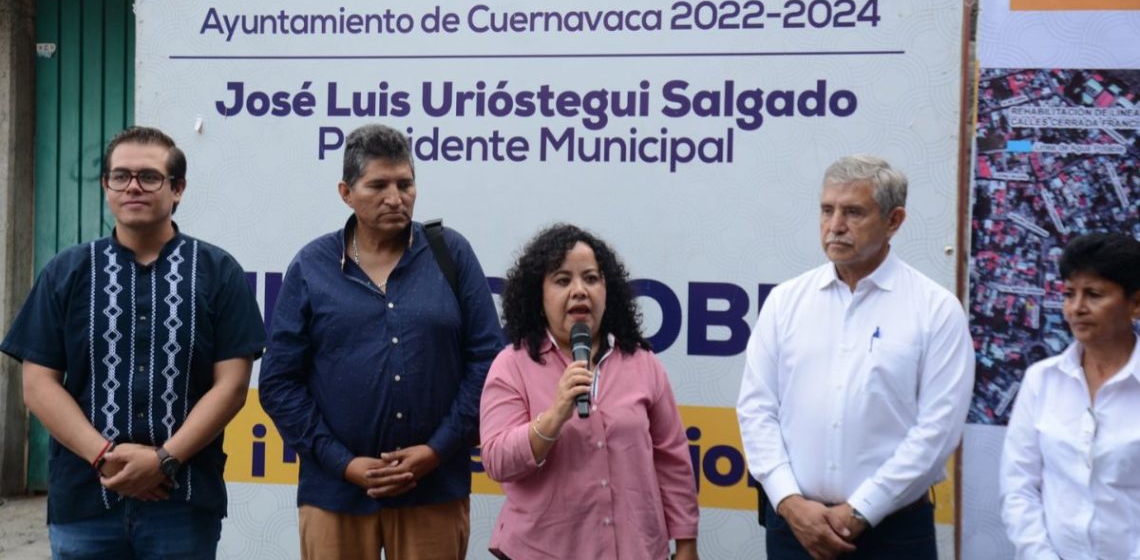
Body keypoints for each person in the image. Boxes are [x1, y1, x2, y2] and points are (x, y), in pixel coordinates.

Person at [1, 126, 266, 558]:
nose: (133, 187)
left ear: (177, 189)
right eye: (120, 176)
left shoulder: (218, 272)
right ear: (106, 186)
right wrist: (103, 455)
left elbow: (232, 386)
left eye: (149, 177)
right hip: (85, 500)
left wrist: (163, 459)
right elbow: (38, 385)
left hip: (182, 501)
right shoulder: (66, 272)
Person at [258, 123, 504, 560]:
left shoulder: (451, 254)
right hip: (335, 494)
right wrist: (342, 463)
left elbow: (488, 363)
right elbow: (280, 383)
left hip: (434, 488)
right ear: (346, 192)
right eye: (378, 185)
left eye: (405, 184)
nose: (396, 197)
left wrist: (436, 450)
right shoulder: (312, 267)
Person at [735, 155, 975, 559]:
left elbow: (937, 431)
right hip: (795, 529)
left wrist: (862, 510)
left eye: (853, 212)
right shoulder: (785, 302)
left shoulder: (935, 310)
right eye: (827, 210)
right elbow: (756, 410)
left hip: (892, 534)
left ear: (894, 221)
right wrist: (789, 502)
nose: (835, 226)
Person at [479, 224, 699, 560]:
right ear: (538, 295)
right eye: (563, 280)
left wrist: (686, 542)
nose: (580, 291)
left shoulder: (643, 364)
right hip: (542, 551)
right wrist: (553, 417)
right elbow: (496, 460)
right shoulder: (512, 365)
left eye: (591, 279)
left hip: (636, 549)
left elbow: (672, 459)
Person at [1000, 233, 1140, 559]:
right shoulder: (1042, 380)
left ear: (1135, 303)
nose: (1077, 308)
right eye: (1068, 294)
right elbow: (1018, 487)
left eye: (1093, 295)